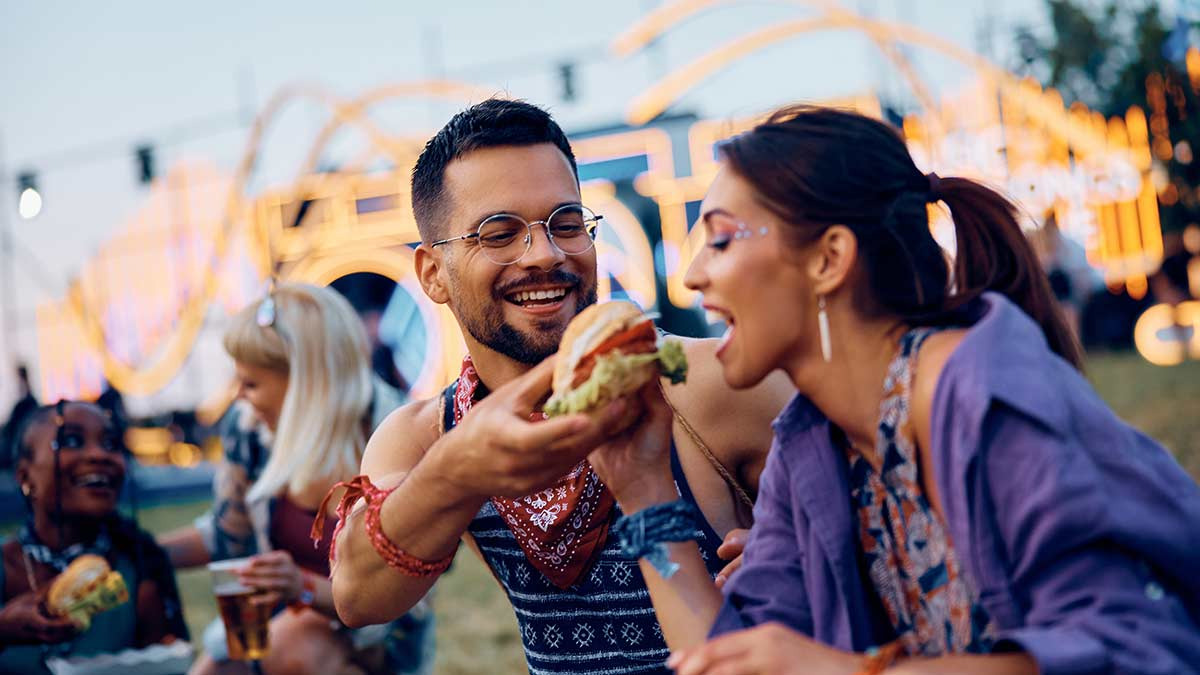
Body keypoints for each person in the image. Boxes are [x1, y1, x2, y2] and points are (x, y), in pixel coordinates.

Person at [605, 105, 1200, 674]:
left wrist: (853, 671)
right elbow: (728, 664)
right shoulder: (811, 445)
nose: (692, 275)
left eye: (722, 238)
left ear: (829, 258)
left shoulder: (982, 394)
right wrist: (644, 492)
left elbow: (1137, 649)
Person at [329, 98, 793, 675]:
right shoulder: (429, 435)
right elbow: (358, 597)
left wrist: (808, 560)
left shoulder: (704, 383)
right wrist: (461, 467)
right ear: (432, 275)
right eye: (498, 234)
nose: (546, 253)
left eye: (567, 224)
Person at [158, 283, 431, 675]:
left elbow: (406, 597)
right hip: (273, 627)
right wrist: (136, 552)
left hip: (376, 644)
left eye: (250, 384)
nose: (238, 398)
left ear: (306, 382)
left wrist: (302, 586)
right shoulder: (251, 429)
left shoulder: (398, 434)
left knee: (295, 643)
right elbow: (226, 535)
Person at [1, 400, 189, 673]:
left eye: (112, 444)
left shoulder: (138, 576)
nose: (99, 454)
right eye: (73, 441)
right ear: (25, 476)